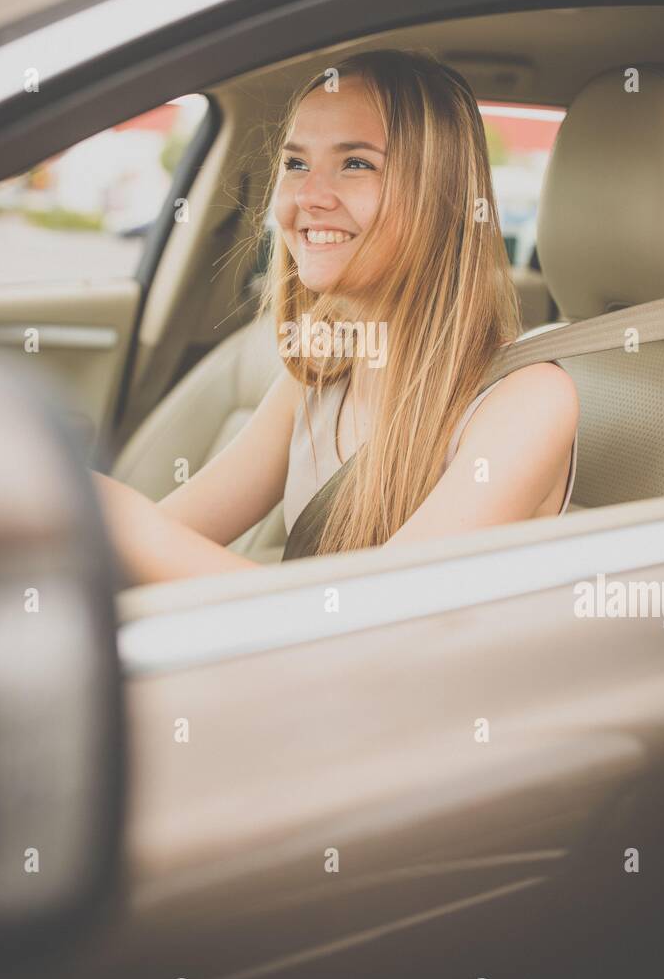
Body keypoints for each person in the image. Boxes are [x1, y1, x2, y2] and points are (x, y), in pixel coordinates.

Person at [95, 49, 578, 585]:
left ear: (444, 198)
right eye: (296, 163)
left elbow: (377, 618)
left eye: (356, 164)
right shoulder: (318, 375)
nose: (309, 195)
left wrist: (128, 524)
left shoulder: (528, 400)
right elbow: (173, 530)